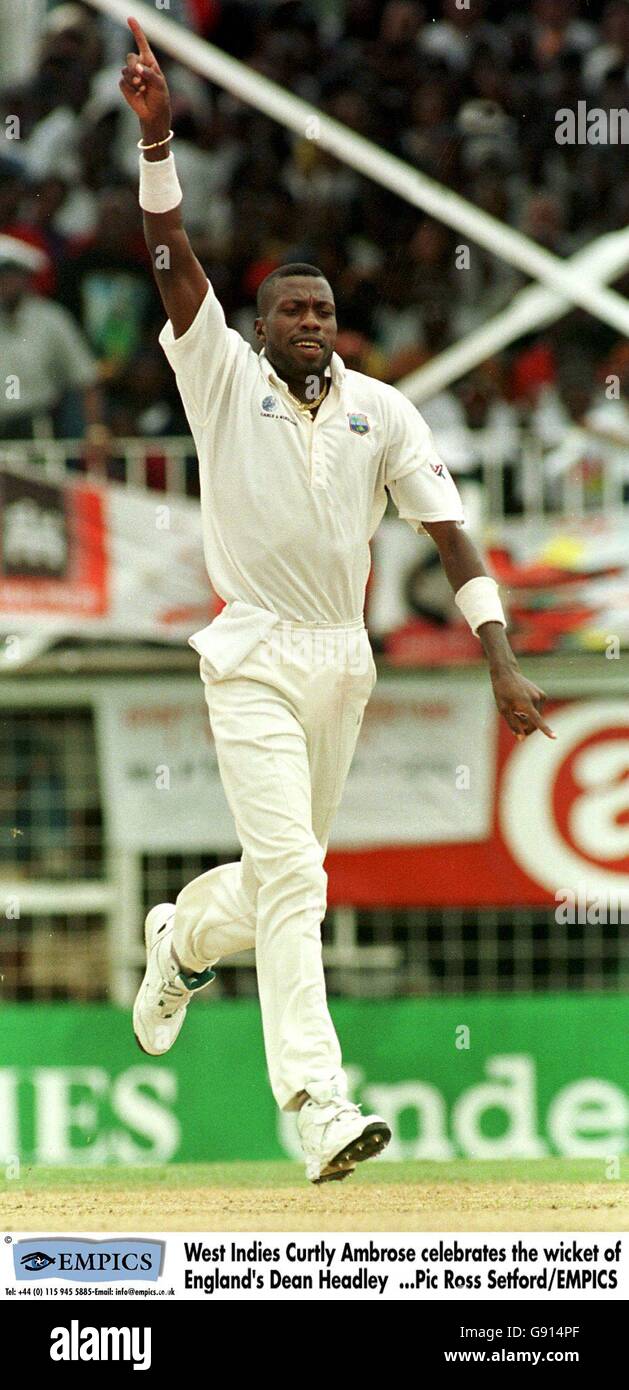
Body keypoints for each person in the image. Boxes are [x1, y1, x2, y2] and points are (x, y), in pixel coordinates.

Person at [120, 19, 555, 1184]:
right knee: (302, 881)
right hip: (251, 650)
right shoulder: (214, 375)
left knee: (279, 878)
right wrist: (157, 140)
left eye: (321, 311)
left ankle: (178, 937)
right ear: (259, 325)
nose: (308, 322)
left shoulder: (383, 411)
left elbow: (449, 531)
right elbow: (170, 257)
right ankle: (314, 1103)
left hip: (341, 660)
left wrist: (499, 656)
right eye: (289, 311)